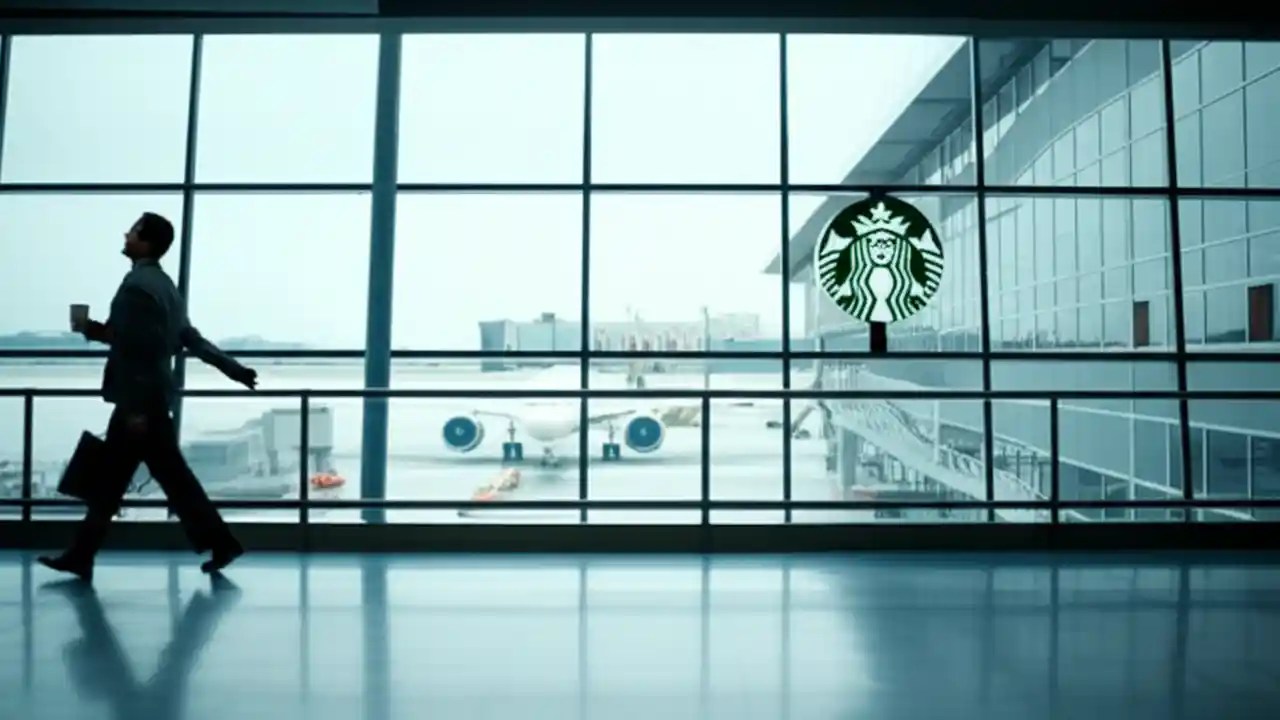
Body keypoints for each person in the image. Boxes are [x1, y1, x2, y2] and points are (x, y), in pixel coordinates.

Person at [38, 212, 258, 582]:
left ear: (147, 241)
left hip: (137, 402)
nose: (126, 234)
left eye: (133, 231)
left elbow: (136, 349)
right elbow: (187, 337)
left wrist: (135, 407)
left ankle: (82, 556)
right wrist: (232, 368)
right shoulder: (164, 287)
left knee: (126, 483)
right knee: (158, 479)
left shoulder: (137, 287)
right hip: (151, 397)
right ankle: (83, 555)